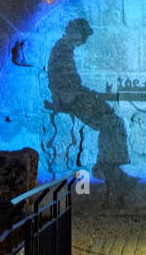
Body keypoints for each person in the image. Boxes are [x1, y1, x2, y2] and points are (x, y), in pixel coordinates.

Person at [46, 18, 130, 188]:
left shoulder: (64, 48)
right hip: (70, 99)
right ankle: (108, 169)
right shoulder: (62, 49)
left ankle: (110, 167)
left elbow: (70, 81)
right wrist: (84, 94)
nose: (82, 41)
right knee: (112, 122)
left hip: (74, 95)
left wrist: (89, 93)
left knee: (111, 117)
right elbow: (64, 83)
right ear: (73, 32)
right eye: (81, 36)